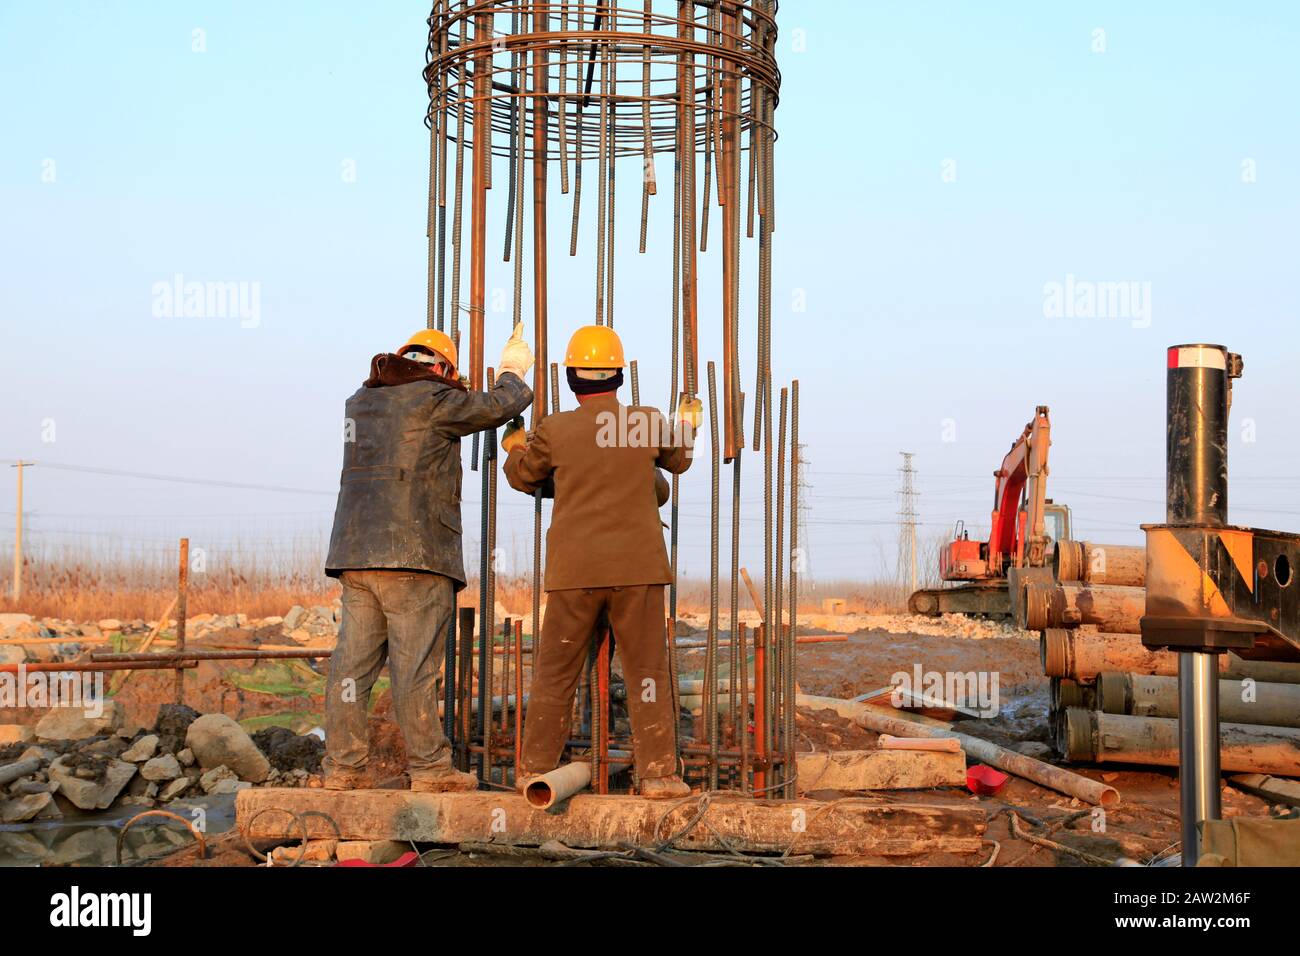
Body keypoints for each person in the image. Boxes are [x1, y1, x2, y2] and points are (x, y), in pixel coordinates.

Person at [322, 324, 533, 792]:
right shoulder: (431, 399)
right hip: (414, 556)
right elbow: (499, 405)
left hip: (357, 555)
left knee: (351, 667)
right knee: (415, 667)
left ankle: (342, 768)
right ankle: (431, 769)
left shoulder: (360, 401)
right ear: (438, 368)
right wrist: (513, 371)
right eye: (450, 375)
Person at [503, 324, 696, 798]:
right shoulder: (645, 421)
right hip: (639, 571)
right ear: (619, 377)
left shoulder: (555, 429)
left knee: (555, 674)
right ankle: (659, 776)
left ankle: (534, 771)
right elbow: (680, 461)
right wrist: (688, 422)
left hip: (575, 574)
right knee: (647, 671)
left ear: (572, 379)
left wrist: (513, 447)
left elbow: (525, 476)